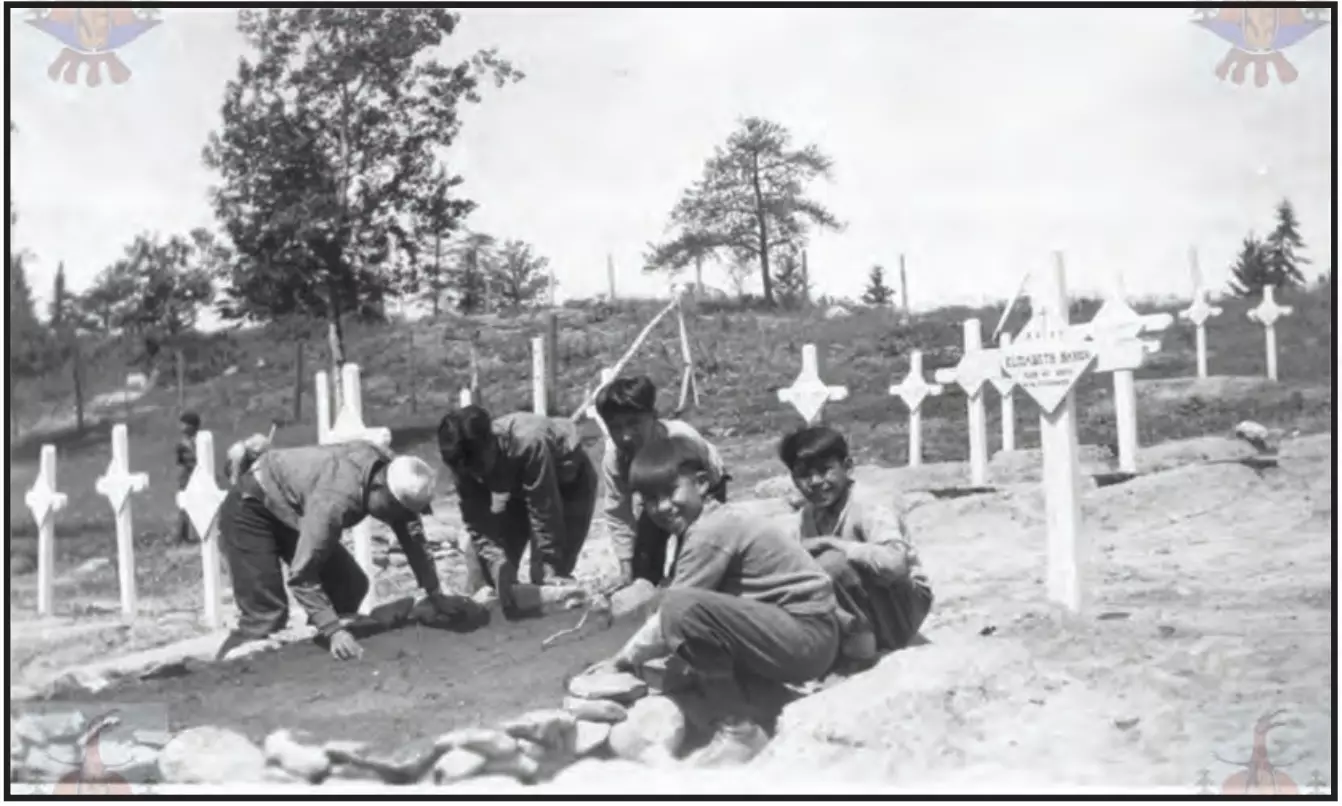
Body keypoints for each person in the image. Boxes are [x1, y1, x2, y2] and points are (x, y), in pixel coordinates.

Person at [600, 435, 840, 766]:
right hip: (797, 633)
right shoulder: (708, 523)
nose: (662, 507)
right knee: (687, 630)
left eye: (670, 493)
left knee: (680, 610)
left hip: (806, 637)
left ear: (701, 484)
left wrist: (621, 661)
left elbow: (673, 613)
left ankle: (739, 731)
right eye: (650, 500)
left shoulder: (711, 532)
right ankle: (767, 704)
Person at [214, 440, 455, 662]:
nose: (396, 519)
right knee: (265, 616)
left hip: (290, 508)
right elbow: (302, 575)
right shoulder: (334, 502)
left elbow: (411, 534)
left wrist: (434, 592)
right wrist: (333, 630)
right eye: (395, 510)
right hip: (250, 510)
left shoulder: (388, 471)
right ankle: (221, 670)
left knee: (349, 585)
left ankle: (307, 661)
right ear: (379, 489)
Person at [778, 425, 933, 667]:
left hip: (901, 604)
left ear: (848, 467)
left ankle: (863, 652)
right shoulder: (808, 515)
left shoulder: (869, 503)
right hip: (861, 603)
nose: (816, 482)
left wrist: (834, 543)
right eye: (804, 475)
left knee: (831, 562)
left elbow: (894, 564)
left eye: (825, 470)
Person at [436, 405, 598, 614]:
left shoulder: (528, 441)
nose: (475, 475)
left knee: (548, 577)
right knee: (484, 574)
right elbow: (477, 520)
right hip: (517, 491)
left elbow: (544, 509)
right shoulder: (463, 461)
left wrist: (548, 562)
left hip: (568, 484)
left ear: (491, 442)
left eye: (478, 465)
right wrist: (496, 561)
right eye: (467, 470)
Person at [594, 375, 729, 588]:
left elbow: (703, 495)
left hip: (702, 490)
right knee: (644, 568)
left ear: (653, 416)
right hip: (656, 498)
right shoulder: (615, 459)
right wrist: (627, 568)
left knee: (692, 558)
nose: (626, 436)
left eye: (633, 424)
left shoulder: (682, 439)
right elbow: (618, 513)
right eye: (616, 428)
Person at [175, 411, 201, 544]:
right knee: (184, 505)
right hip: (186, 476)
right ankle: (181, 535)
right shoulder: (183, 444)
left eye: (184, 424)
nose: (181, 427)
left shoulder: (198, 441)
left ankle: (193, 533)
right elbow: (183, 461)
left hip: (196, 475)